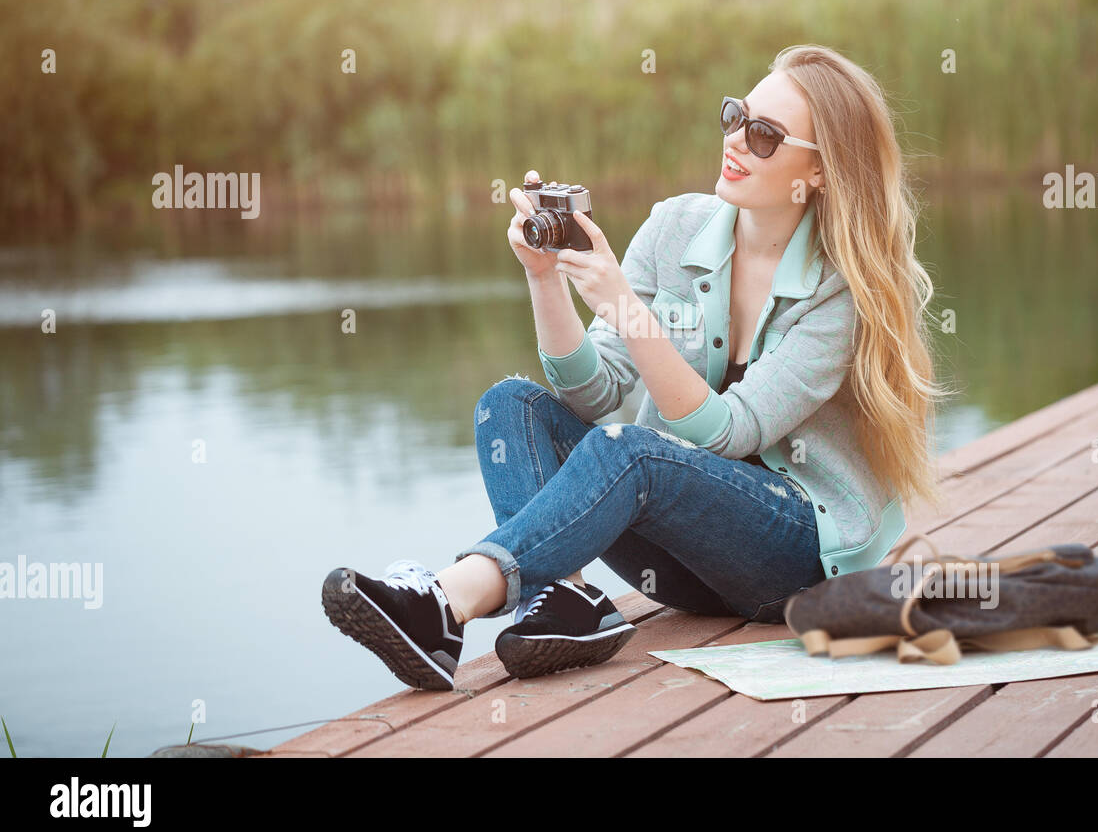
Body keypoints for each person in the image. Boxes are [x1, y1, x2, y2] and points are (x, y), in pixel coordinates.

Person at [321, 44, 949, 689]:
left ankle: (446, 601)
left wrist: (626, 308)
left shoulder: (839, 291)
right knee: (508, 404)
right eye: (736, 116)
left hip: (793, 566)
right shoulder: (675, 229)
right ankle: (564, 602)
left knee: (632, 451)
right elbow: (594, 393)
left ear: (818, 172)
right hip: (681, 563)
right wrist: (547, 279)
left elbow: (727, 434)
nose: (735, 140)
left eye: (763, 136)